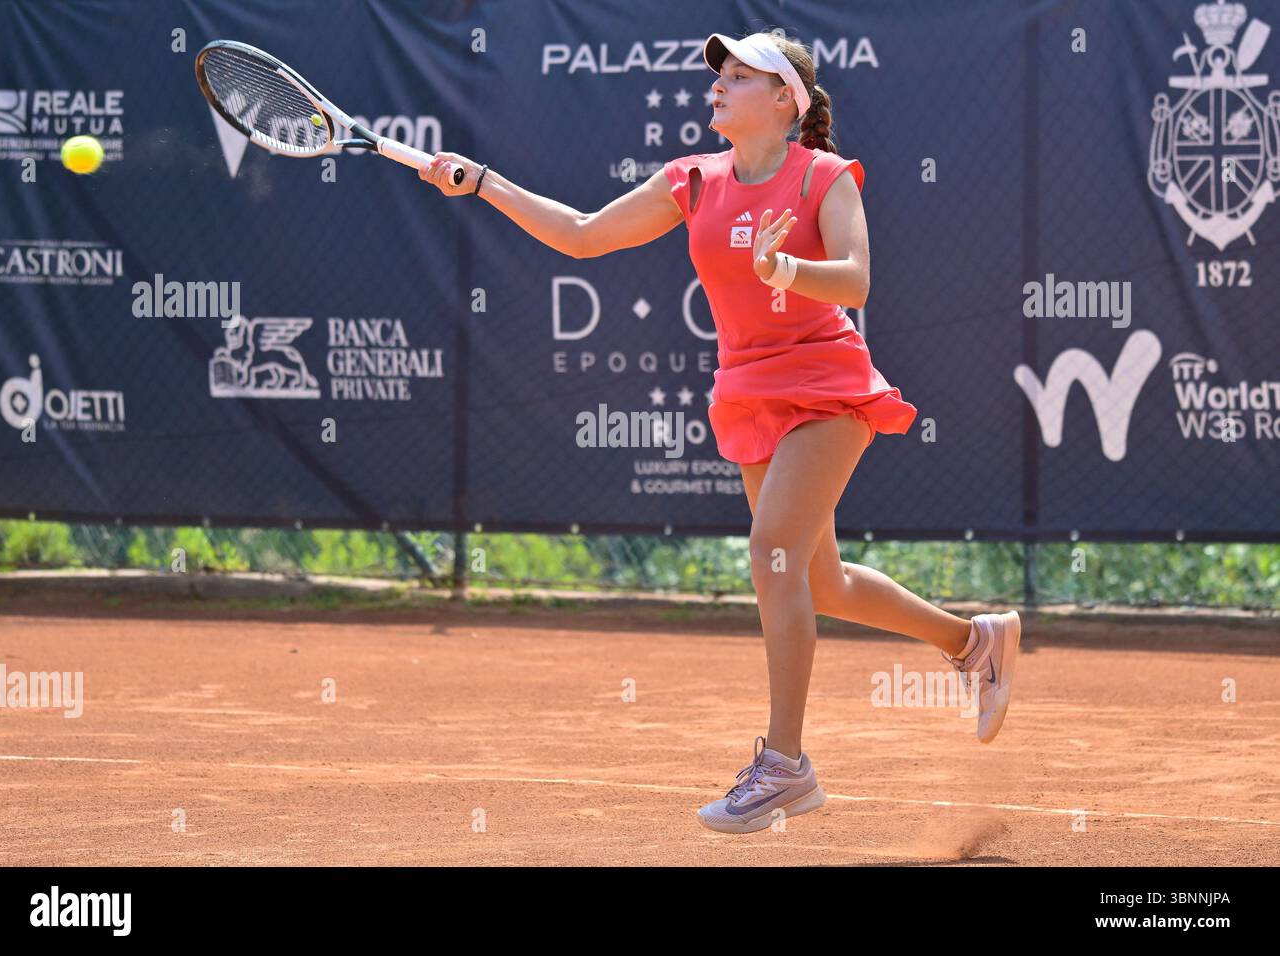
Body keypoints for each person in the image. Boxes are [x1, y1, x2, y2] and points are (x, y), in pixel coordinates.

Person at [415, 28, 1021, 835]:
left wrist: (786, 271)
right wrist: (483, 183)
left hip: (825, 381)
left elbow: (857, 275)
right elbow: (584, 233)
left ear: (784, 102)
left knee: (772, 557)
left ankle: (786, 766)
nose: (718, 87)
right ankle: (974, 642)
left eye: (739, 77)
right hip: (749, 390)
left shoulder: (824, 177)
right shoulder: (693, 182)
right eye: (719, 77)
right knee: (821, 581)